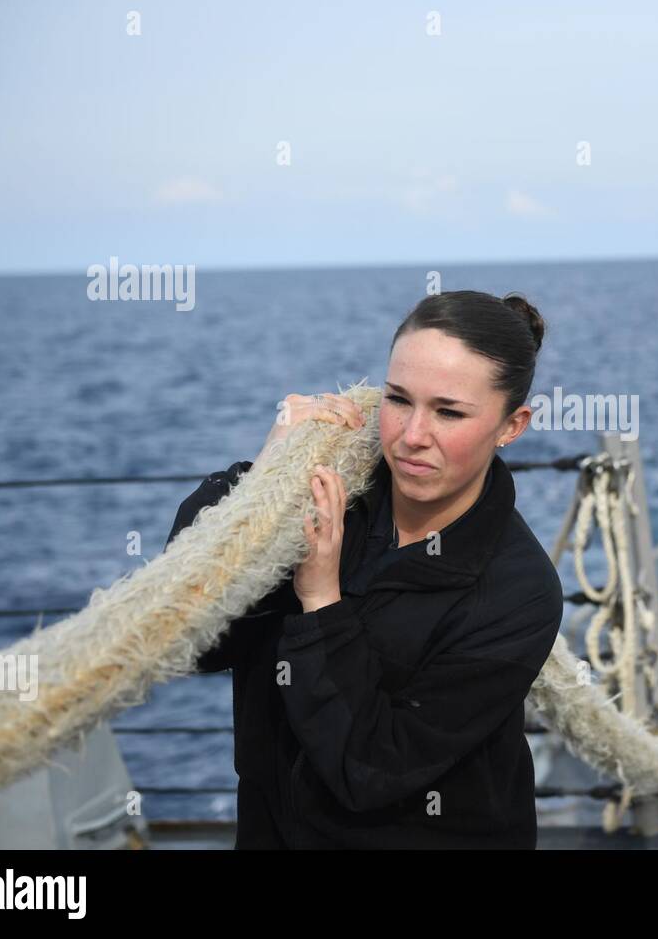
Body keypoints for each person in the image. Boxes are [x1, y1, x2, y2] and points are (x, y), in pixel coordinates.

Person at [164, 290, 564, 848]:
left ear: (512, 425)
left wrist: (321, 602)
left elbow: (371, 770)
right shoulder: (322, 496)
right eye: (399, 400)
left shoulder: (519, 594)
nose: (412, 436)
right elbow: (193, 638)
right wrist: (262, 479)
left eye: (448, 411)